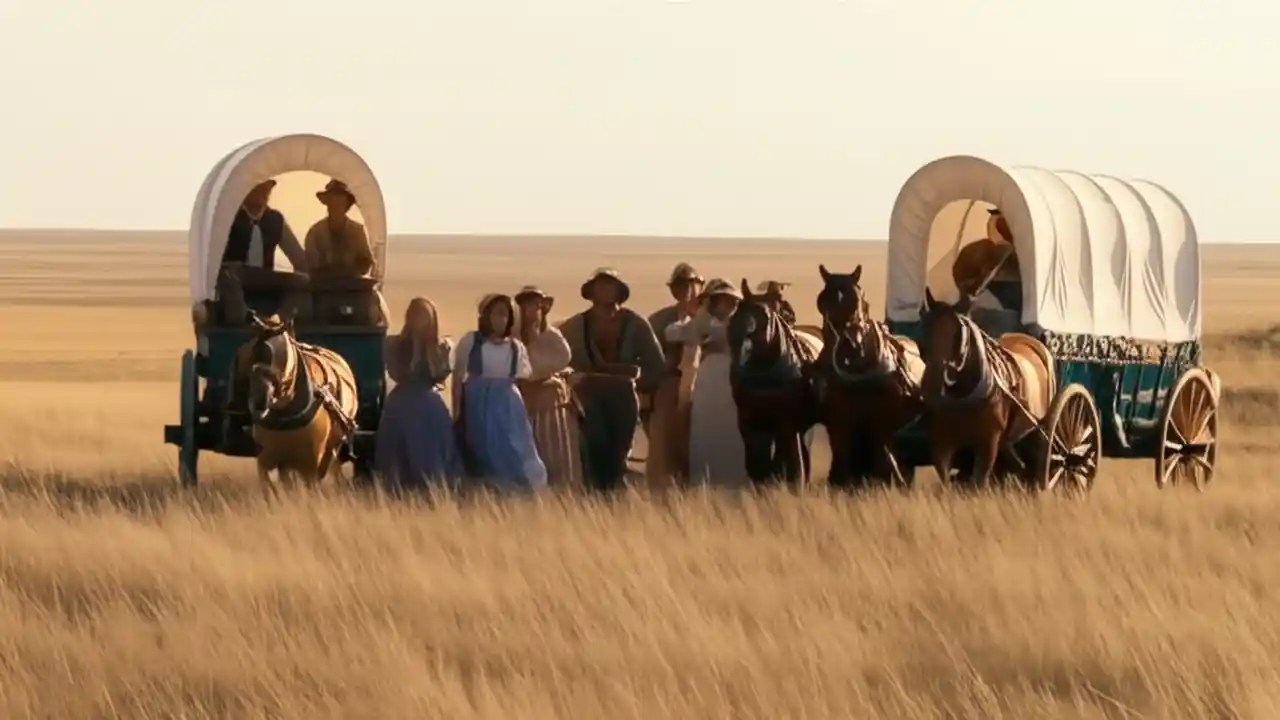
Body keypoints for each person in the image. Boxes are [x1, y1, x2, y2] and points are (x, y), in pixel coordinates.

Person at [559, 268, 666, 492]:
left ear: (620, 292)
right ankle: (594, 501)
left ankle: (616, 502)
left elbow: (656, 364)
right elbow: (555, 356)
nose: (605, 291)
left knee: (619, 454)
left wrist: (642, 389)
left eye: (611, 286)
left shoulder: (636, 324)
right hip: (588, 396)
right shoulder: (576, 325)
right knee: (593, 449)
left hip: (624, 395)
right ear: (591, 292)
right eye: (600, 286)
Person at [453, 293, 548, 493]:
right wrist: (457, 408)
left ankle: (523, 487)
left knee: (515, 445)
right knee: (482, 444)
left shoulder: (515, 347)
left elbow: (523, 378)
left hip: (507, 404)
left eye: (505, 315)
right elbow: (458, 376)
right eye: (496, 314)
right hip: (478, 402)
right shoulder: (472, 341)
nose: (501, 320)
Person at [374, 298, 462, 490]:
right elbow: (396, 373)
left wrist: (426, 349)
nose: (419, 320)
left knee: (430, 449)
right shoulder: (395, 344)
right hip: (402, 401)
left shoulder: (442, 346)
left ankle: (432, 487)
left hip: (428, 403)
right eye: (415, 315)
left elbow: (439, 375)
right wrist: (413, 351)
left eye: (424, 315)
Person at [669, 279, 749, 486]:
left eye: (728, 300)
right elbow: (673, 332)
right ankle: (704, 482)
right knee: (705, 432)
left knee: (733, 433)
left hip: (734, 383)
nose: (724, 306)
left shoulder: (743, 325)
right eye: (718, 300)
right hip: (707, 382)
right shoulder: (701, 323)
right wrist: (701, 327)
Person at [514, 286, 583, 490]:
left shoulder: (552, 337)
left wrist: (536, 376)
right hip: (522, 404)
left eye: (536, 305)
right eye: (526, 305)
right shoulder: (513, 337)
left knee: (556, 455)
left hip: (550, 406)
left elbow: (562, 358)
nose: (532, 310)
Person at [645, 262, 705, 487]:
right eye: (681, 286)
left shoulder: (712, 316)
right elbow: (649, 358)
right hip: (669, 387)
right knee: (665, 443)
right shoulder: (659, 320)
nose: (687, 291)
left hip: (705, 387)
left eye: (692, 284)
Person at [222, 179, 307, 272]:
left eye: (267, 188)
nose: (264, 192)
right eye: (258, 188)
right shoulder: (228, 216)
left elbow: (299, 259)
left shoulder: (275, 219)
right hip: (232, 281)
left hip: (265, 282)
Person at [303, 178, 376, 279]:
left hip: (352, 287)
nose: (336, 202)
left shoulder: (357, 231)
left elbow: (366, 263)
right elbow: (311, 265)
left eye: (339, 198)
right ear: (327, 202)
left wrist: (352, 270)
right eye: (332, 198)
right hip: (323, 288)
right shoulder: (315, 233)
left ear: (346, 203)